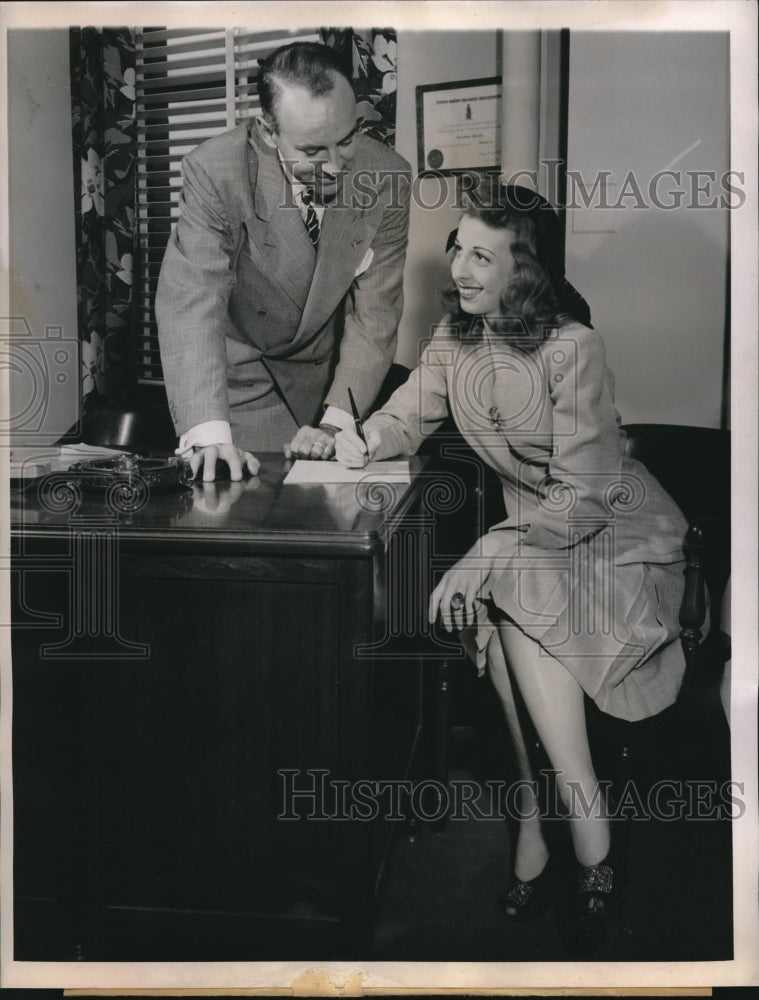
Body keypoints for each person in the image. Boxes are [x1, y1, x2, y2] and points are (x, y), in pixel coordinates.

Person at [335, 181, 689, 929]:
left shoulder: (573, 346)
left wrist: (488, 550)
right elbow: (410, 411)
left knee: (506, 592)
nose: (459, 268)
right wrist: (360, 438)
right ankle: (569, 815)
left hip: (613, 532)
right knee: (512, 606)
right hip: (535, 541)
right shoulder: (457, 336)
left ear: (522, 271)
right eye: (458, 247)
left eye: (482, 256)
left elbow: (587, 490)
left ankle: (549, 814)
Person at [155, 42, 411, 482]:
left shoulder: (387, 175)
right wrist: (208, 435)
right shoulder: (215, 172)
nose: (334, 168)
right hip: (243, 385)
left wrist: (338, 422)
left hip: (332, 382)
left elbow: (376, 314)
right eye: (312, 151)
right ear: (268, 133)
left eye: (347, 139)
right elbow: (192, 304)